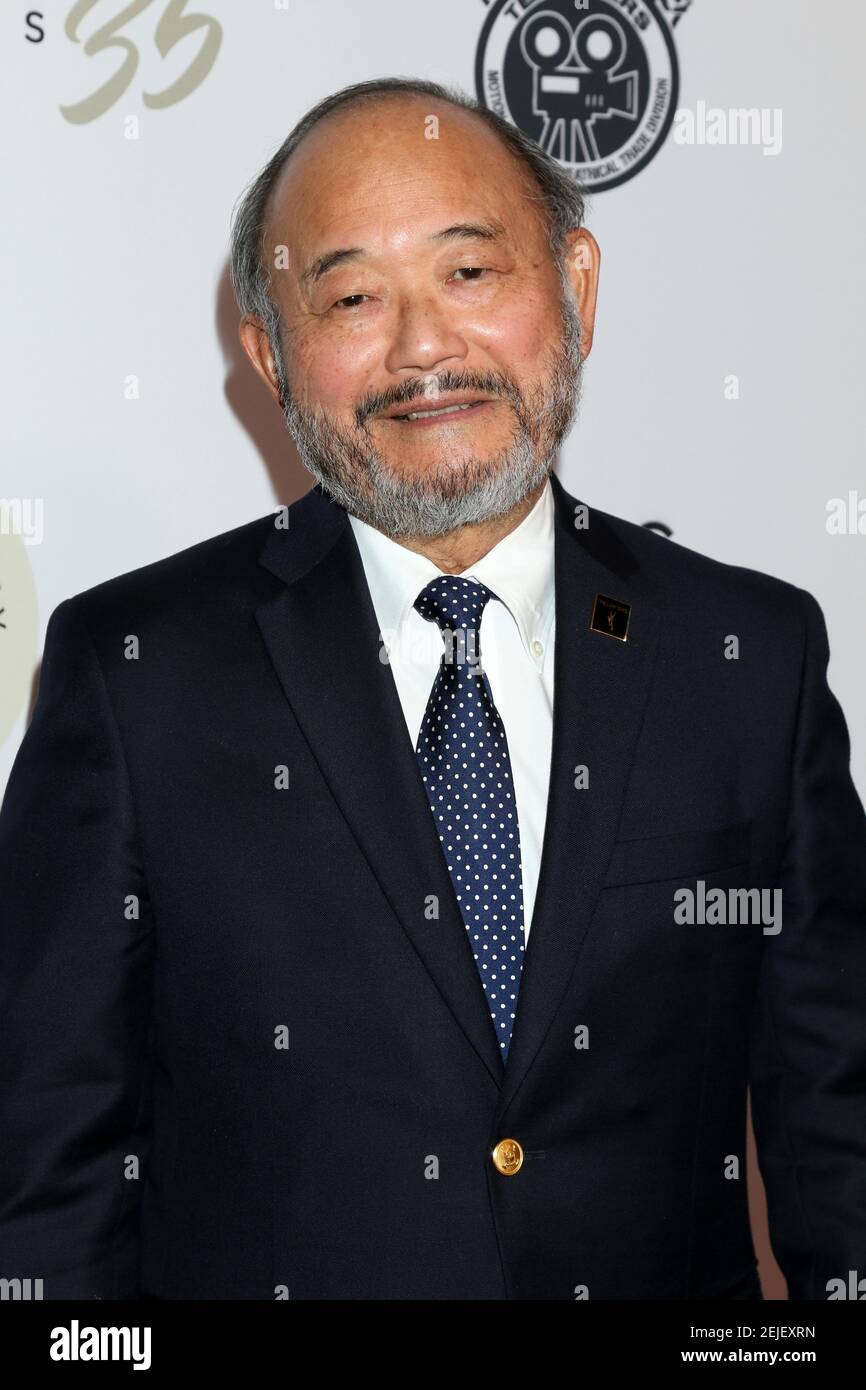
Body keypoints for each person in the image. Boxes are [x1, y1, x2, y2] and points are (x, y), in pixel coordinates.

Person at [1, 76, 864, 1301]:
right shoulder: (135, 673)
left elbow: (836, 1119)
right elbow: (48, 1164)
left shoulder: (747, 655)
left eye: (470, 273)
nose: (421, 348)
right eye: (352, 296)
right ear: (269, 353)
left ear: (574, 287)